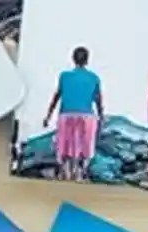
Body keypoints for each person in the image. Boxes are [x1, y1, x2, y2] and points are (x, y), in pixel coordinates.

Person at [42, 46, 103, 182]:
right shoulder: (94, 78)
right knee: (85, 143)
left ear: (73, 59)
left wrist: (48, 115)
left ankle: (66, 170)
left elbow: (57, 96)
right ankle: (80, 170)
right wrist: (101, 116)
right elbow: (98, 100)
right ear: (87, 60)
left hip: (66, 115)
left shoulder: (64, 76)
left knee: (65, 143)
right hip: (86, 116)